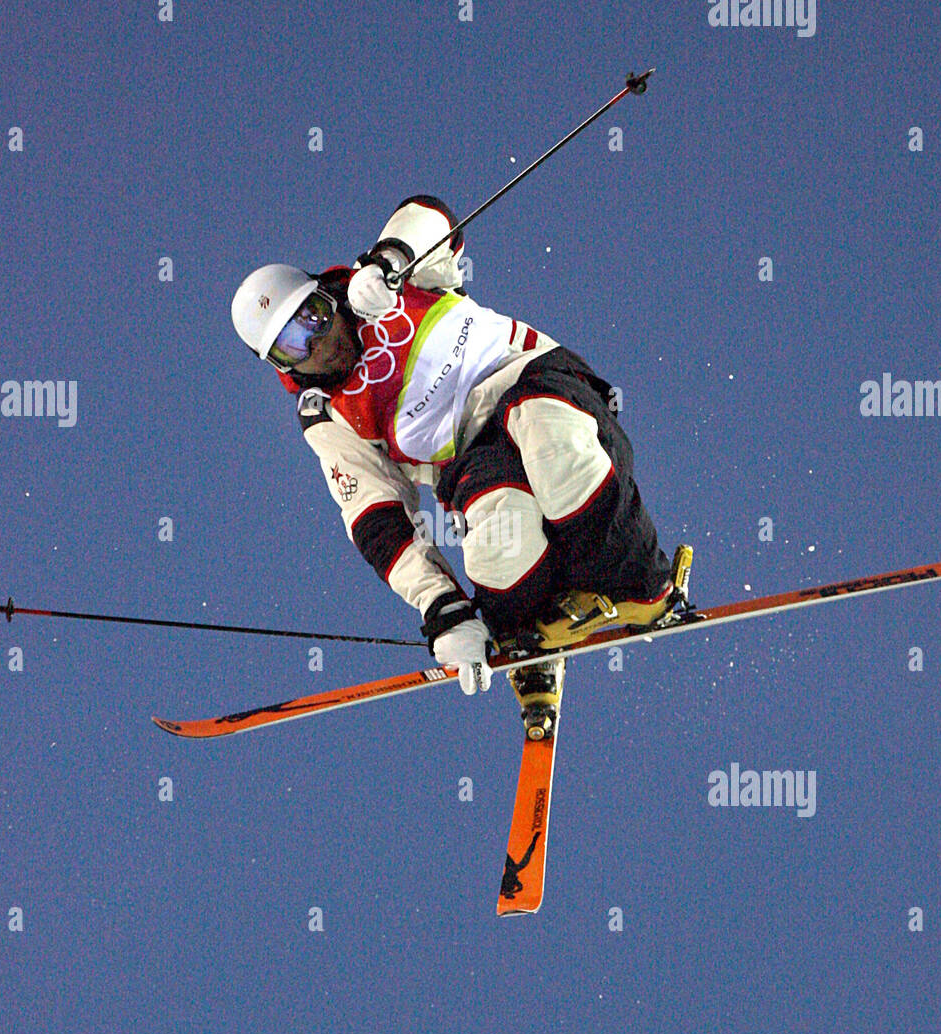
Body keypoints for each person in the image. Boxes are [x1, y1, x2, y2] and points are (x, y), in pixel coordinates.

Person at [230, 195, 681, 721]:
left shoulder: (383, 285)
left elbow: (430, 217)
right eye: (293, 344)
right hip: (474, 460)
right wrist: (442, 608)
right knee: (497, 545)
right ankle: (525, 636)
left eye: (314, 315)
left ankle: (637, 583)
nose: (320, 341)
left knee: (551, 444)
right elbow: (377, 521)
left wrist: (391, 260)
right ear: (281, 366)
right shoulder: (329, 417)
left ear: (325, 296)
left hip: (535, 383)